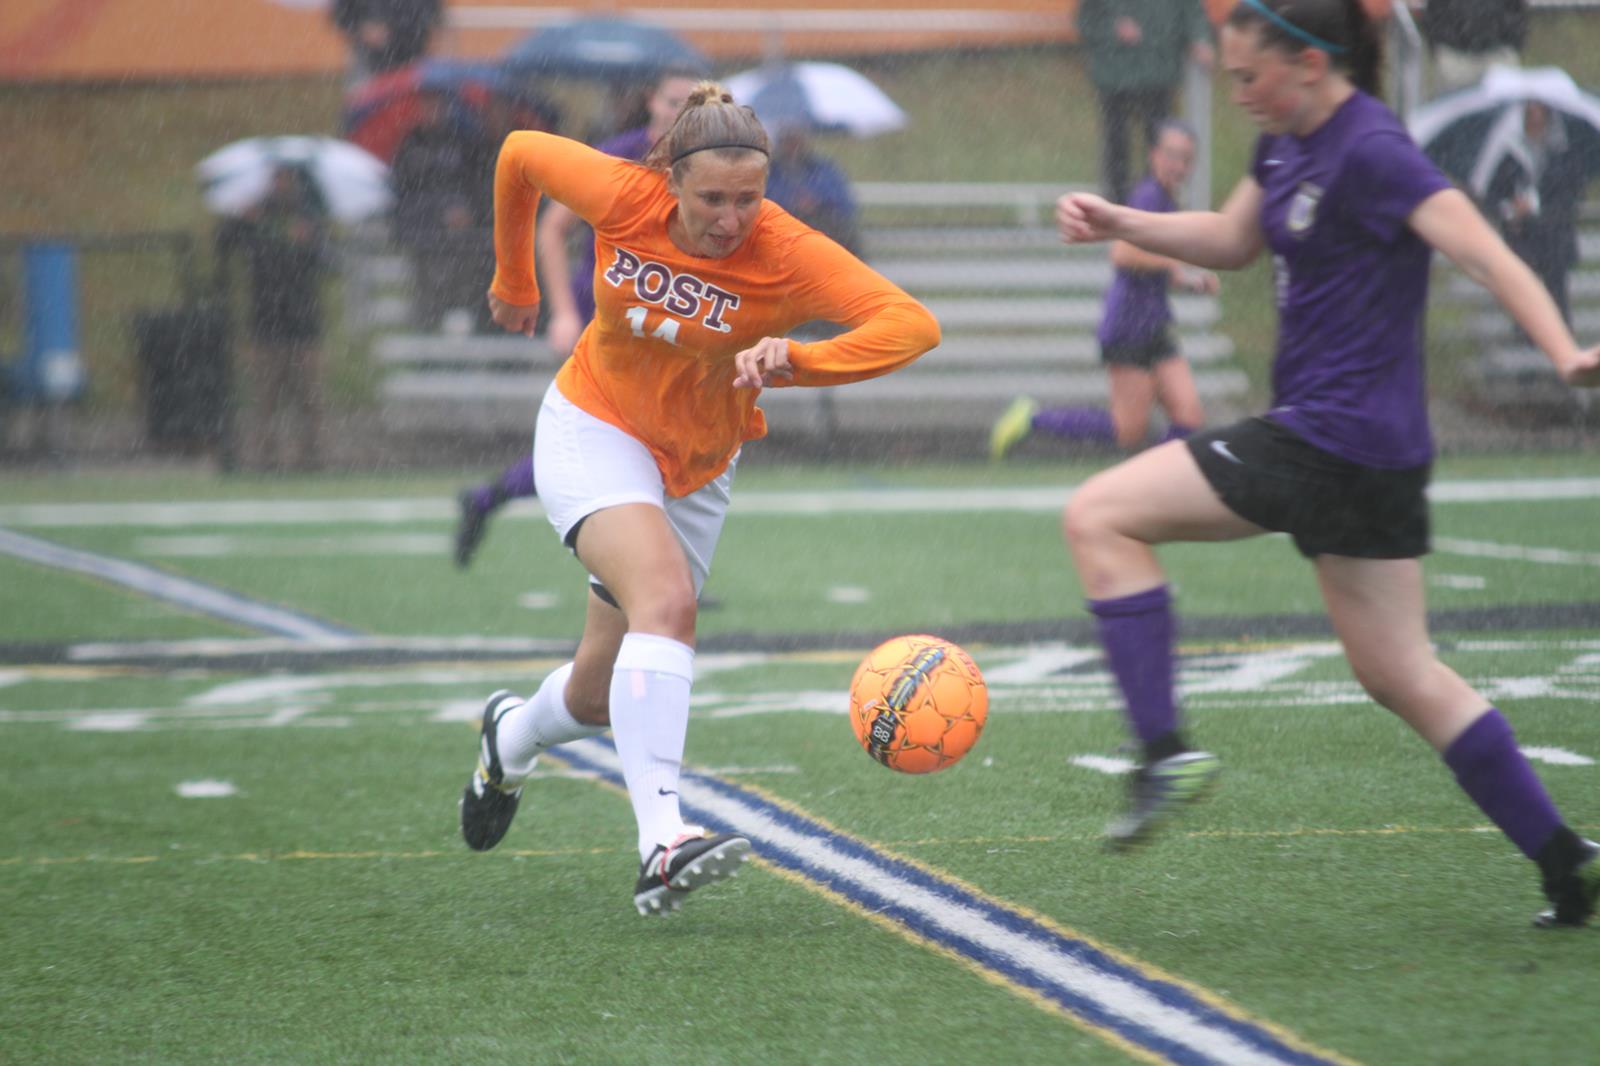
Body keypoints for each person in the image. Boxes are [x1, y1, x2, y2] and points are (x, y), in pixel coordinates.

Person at [1054, 0, 1600, 926]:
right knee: (1400, 672)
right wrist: (1122, 222)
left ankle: (1163, 751)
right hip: (1374, 457)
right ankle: (1564, 859)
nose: (1239, 94)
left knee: (1099, 515)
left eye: (1247, 76)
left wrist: (1565, 352)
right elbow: (1232, 242)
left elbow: (1485, 253)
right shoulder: (1286, 143)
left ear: (1310, 62)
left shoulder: (1373, 148)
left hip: (1327, 439)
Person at [457, 83, 940, 915]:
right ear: (671, 181)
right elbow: (519, 156)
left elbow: (910, 325)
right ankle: (663, 842)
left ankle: (510, 738)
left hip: (699, 463)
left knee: (595, 697)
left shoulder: (784, 249)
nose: (730, 218)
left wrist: (797, 358)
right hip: (594, 425)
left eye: (748, 198)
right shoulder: (623, 194)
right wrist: (515, 279)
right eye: (712, 198)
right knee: (667, 603)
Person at [451, 70, 698, 568]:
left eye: (691, 105)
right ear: (651, 100)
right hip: (604, 316)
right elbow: (552, 229)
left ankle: (488, 498)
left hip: (659, 323)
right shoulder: (614, 156)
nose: (679, 114)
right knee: (618, 443)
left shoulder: (697, 167)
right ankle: (650, 573)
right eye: (673, 101)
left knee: (657, 440)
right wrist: (563, 312)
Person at [991, 119, 1218, 459]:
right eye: (1172, 155)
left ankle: (1156, 487)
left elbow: (1152, 261)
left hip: (1154, 324)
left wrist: (1188, 280)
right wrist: (1177, 263)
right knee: (1127, 429)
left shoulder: (1167, 200)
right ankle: (1034, 419)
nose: (1179, 166)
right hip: (1130, 326)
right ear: (1154, 155)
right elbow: (1123, 253)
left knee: (1188, 417)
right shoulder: (1148, 195)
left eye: (1186, 158)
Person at [214, 164, 330, 472]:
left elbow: (329, 262)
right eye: (277, 178)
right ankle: (267, 461)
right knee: (265, 402)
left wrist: (311, 243)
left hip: (304, 325)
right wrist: (238, 218)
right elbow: (224, 246)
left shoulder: (309, 215)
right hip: (265, 324)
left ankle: (312, 461)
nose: (282, 184)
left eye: (287, 178)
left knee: (309, 402)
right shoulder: (256, 216)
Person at [1075, 0, 1214, 205]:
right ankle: (1118, 207)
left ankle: (1155, 206)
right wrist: (1112, 28)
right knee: (1117, 145)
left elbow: (1192, 11)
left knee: (1160, 145)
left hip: (1158, 73)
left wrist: (1200, 38)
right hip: (1115, 75)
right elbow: (1086, 20)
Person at [388, 87, 495, 333]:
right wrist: (438, 213)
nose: (432, 111)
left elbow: (474, 184)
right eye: (427, 105)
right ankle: (427, 332)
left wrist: (466, 210)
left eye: (437, 105)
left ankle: (470, 325)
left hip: (465, 239)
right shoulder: (410, 145)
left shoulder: (462, 142)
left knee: (467, 283)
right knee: (429, 292)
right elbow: (404, 194)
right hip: (424, 236)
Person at [1484, 101, 1590, 330]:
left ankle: (1559, 342)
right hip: (1523, 240)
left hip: (1554, 239)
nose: (1534, 120)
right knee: (1524, 297)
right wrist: (1510, 209)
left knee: (1556, 295)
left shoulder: (1563, 155)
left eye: (1538, 114)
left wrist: (1535, 204)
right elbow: (1493, 197)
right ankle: (1526, 341)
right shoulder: (1511, 156)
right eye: (1529, 114)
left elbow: (1570, 196)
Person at [1420, 0, 1527, 94]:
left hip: (1498, 55)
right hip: (1454, 56)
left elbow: (1516, 9)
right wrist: (1440, 47)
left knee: (1504, 113)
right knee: (1455, 110)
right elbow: (1434, 11)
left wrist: (1512, 42)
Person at [331, 0, 443, 84]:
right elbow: (341, 14)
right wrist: (364, 29)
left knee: (411, 105)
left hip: (413, 55)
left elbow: (433, 13)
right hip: (371, 58)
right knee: (369, 106)